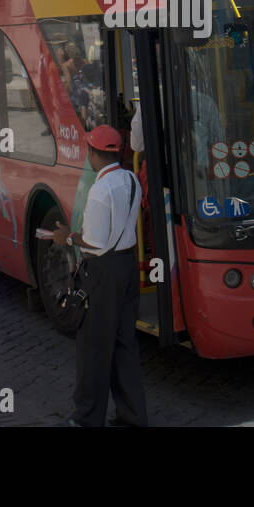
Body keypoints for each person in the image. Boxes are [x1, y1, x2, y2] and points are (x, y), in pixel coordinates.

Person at [41, 125, 147, 427]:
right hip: (126, 266)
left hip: (102, 272)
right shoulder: (130, 179)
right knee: (125, 344)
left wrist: (67, 238)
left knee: (94, 348)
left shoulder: (101, 190)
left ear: (92, 153)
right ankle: (133, 416)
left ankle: (87, 419)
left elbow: (95, 242)